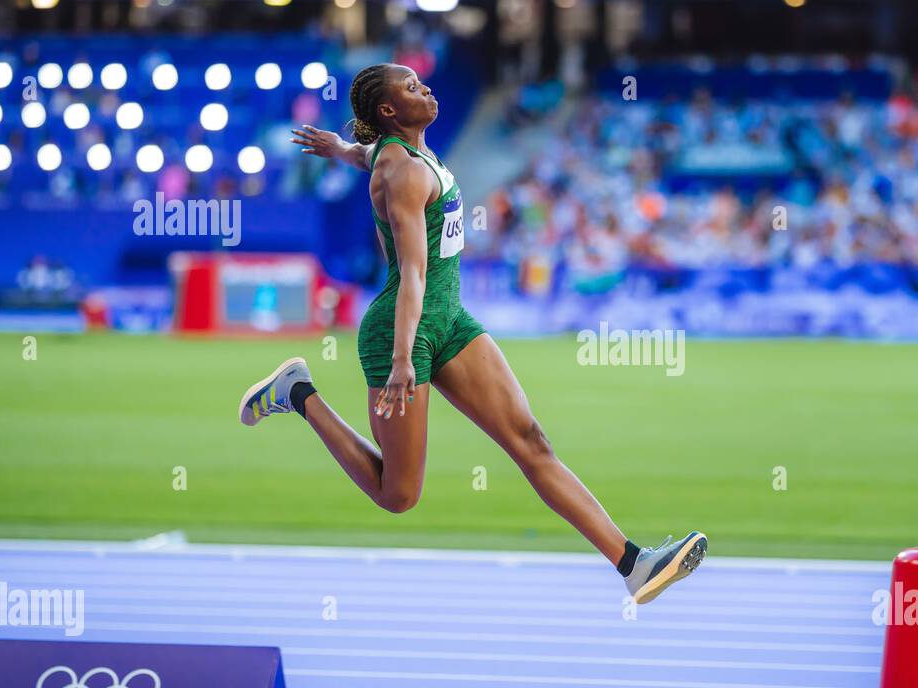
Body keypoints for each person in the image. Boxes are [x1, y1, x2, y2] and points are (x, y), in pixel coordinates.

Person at [238, 63, 705, 604]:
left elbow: (369, 155)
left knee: (530, 441)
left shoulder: (406, 153)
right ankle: (299, 393)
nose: (428, 88)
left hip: (450, 319)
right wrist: (403, 359)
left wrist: (341, 147)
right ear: (389, 111)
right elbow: (412, 271)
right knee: (399, 495)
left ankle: (633, 565)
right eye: (412, 87)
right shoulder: (404, 170)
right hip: (403, 328)